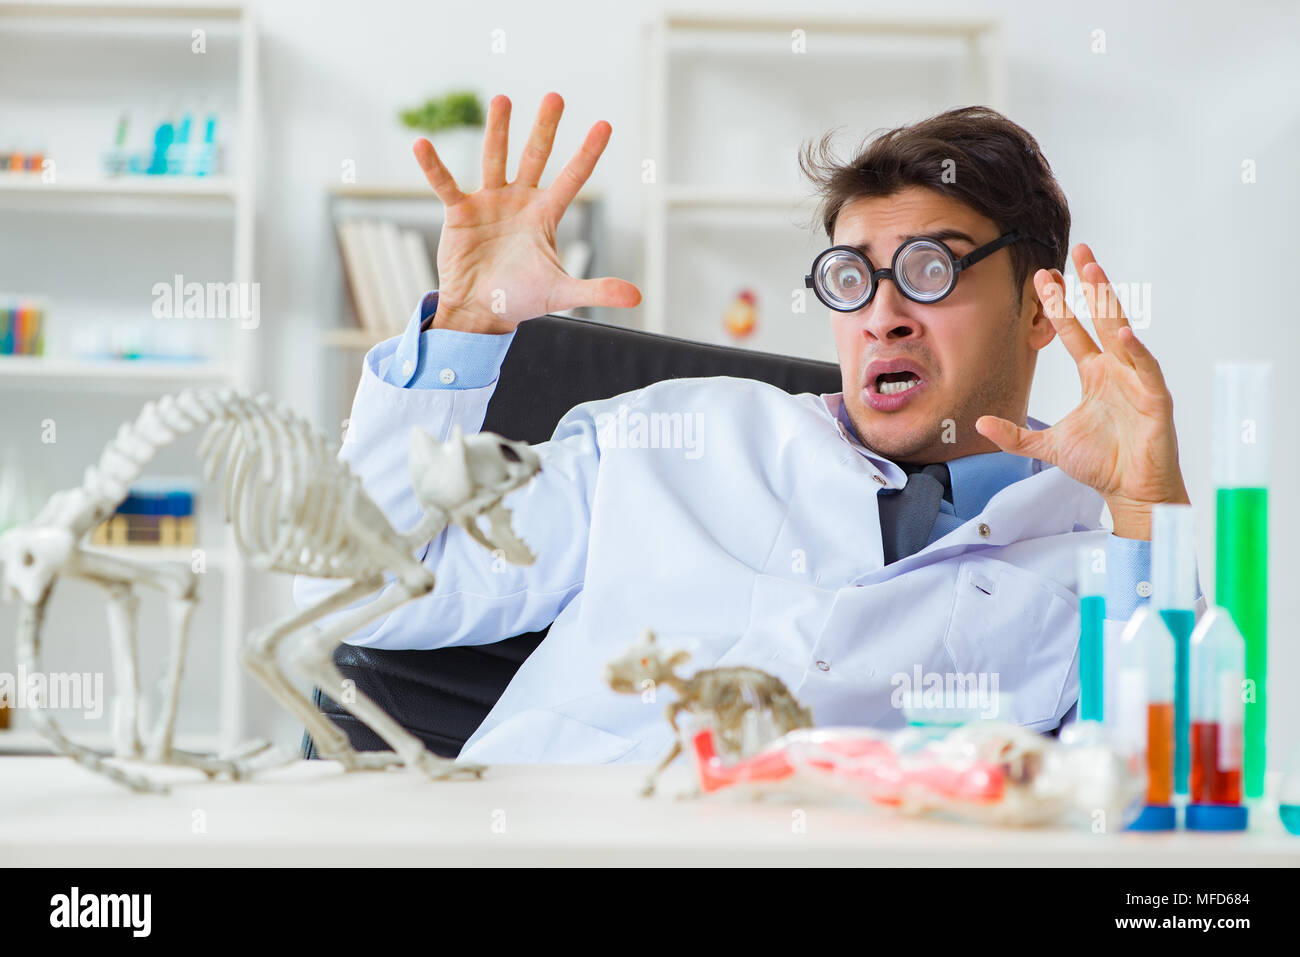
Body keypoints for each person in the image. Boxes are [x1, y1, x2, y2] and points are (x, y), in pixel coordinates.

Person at [294, 92, 1197, 765]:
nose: (882, 315)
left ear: (1040, 310)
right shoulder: (673, 436)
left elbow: (1155, 790)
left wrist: (1151, 509)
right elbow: (365, 589)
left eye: (929, 268)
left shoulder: (1099, 557)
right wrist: (464, 322)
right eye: (851, 278)